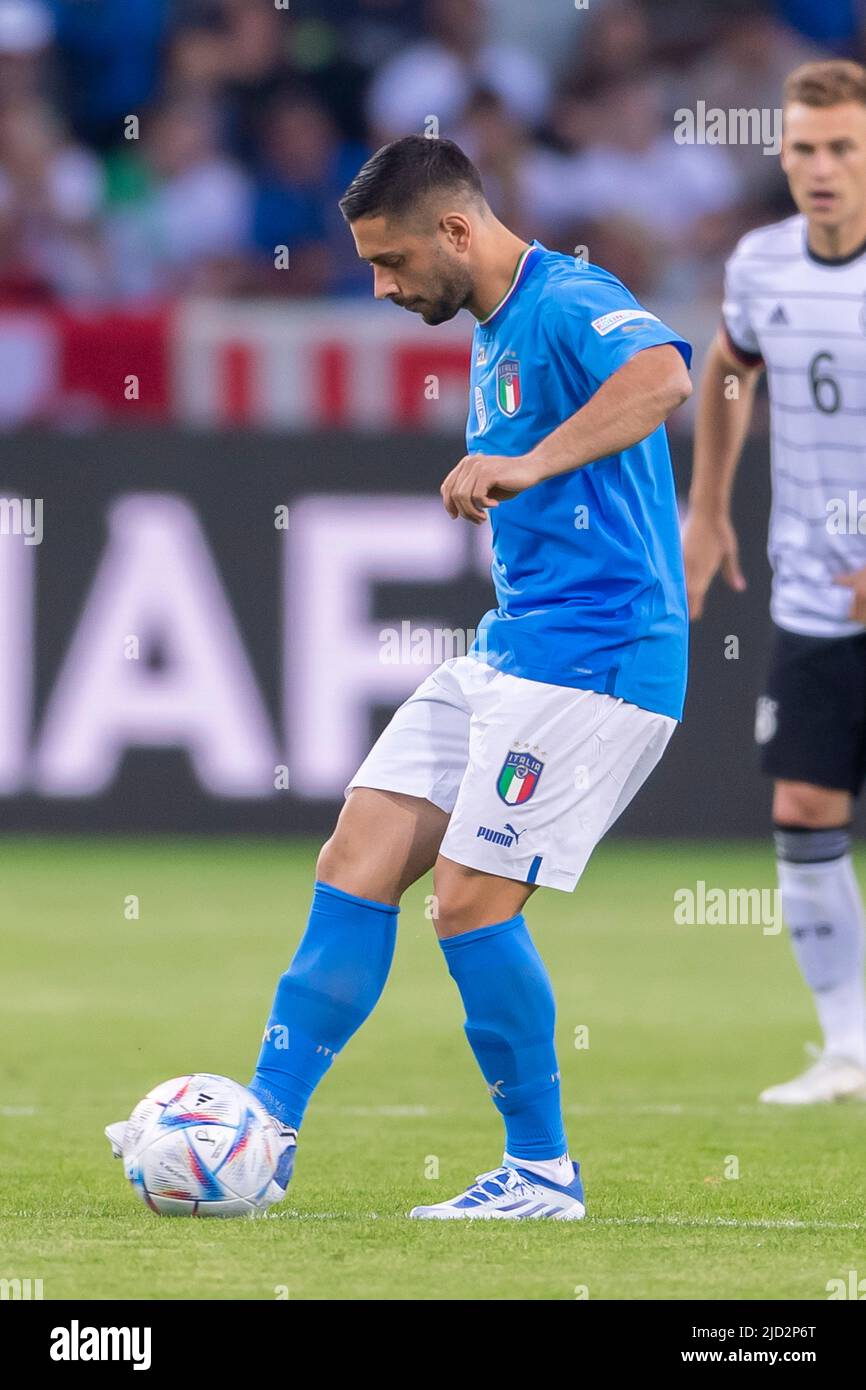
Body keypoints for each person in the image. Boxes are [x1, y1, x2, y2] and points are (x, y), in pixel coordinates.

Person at [109, 134, 692, 1219]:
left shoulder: (566, 297)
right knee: (357, 850)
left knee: (467, 904)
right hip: (512, 646)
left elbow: (663, 374)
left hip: (599, 657)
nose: (379, 287)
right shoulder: (489, 325)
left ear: (456, 230)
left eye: (389, 262)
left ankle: (540, 1173)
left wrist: (525, 460)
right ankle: (262, 1136)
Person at [683, 60, 866, 1105]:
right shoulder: (759, 263)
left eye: (841, 147)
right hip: (809, 590)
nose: (821, 168)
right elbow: (723, 369)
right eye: (802, 149)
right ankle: (845, 1044)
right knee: (802, 802)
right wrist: (706, 508)